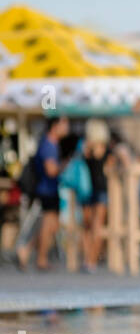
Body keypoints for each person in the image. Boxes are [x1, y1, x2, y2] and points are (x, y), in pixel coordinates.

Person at [16, 114, 70, 271]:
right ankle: (39, 258)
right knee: (48, 225)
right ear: (55, 125)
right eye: (64, 124)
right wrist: (64, 166)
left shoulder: (50, 143)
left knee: (52, 226)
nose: (67, 128)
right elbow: (51, 170)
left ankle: (29, 251)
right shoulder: (48, 144)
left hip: (48, 189)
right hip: (47, 189)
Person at [79, 118, 114, 272]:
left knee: (91, 227)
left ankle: (90, 259)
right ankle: (90, 260)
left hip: (91, 190)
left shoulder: (88, 148)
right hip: (98, 190)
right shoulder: (102, 149)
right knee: (93, 227)